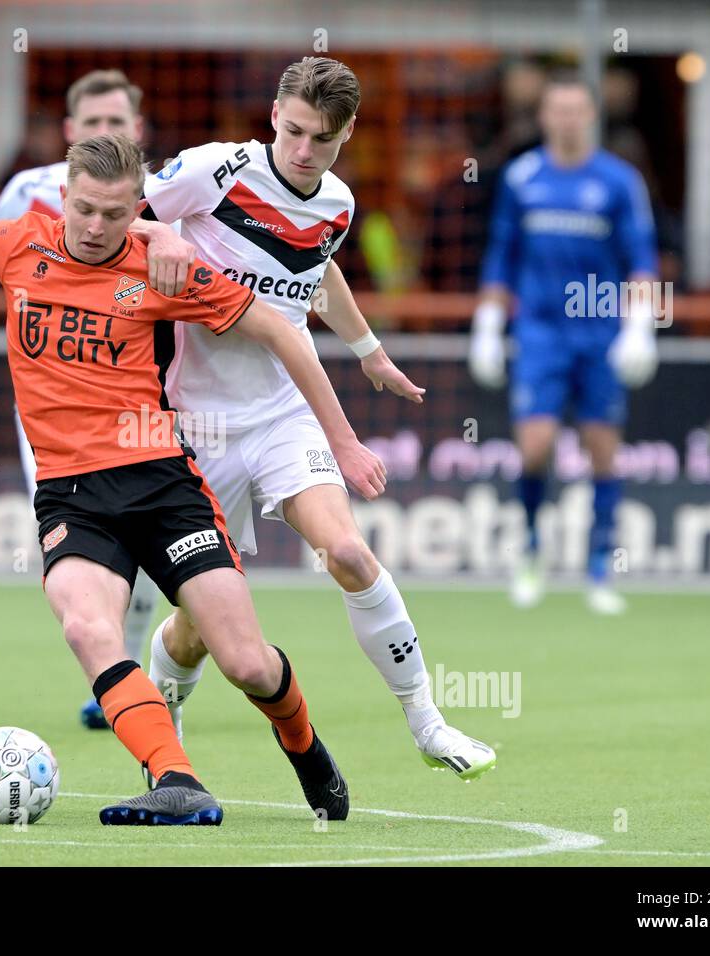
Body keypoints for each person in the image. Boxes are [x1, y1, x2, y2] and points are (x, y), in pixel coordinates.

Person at [0, 133, 388, 825]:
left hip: (164, 487)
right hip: (72, 495)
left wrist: (342, 437)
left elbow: (280, 329)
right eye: (84, 209)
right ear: (63, 197)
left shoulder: (163, 266)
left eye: (115, 214)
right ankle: (176, 778)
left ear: (136, 209)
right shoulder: (17, 242)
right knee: (88, 628)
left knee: (247, 665)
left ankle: (305, 747)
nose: (95, 227)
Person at [137, 57, 496, 782]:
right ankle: (167, 716)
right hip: (199, 426)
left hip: (281, 416)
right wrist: (163, 236)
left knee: (352, 555)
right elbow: (114, 218)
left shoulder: (337, 202)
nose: (303, 151)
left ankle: (427, 722)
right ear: (274, 114)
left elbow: (317, 267)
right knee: (199, 629)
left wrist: (368, 351)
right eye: (294, 131)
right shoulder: (212, 171)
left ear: (347, 134)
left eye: (322, 140)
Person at [0, 69, 161, 731]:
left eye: (118, 124)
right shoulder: (32, 192)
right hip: (53, 404)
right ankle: (113, 675)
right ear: (71, 133)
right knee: (76, 533)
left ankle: (140, 661)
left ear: (139, 130)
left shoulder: (167, 193)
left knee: (152, 535)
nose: (106, 134)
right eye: (93, 124)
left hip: (150, 397)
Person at [467, 73, 661, 614]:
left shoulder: (620, 181)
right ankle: (531, 550)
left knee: (603, 452)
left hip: (599, 332)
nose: (568, 119)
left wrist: (640, 326)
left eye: (578, 110)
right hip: (541, 333)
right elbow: (501, 256)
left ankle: (600, 568)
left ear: (592, 116)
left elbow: (642, 259)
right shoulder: (523, 178)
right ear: (545, 116)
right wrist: (487, 325)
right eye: (559, 110)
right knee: (535, 447)